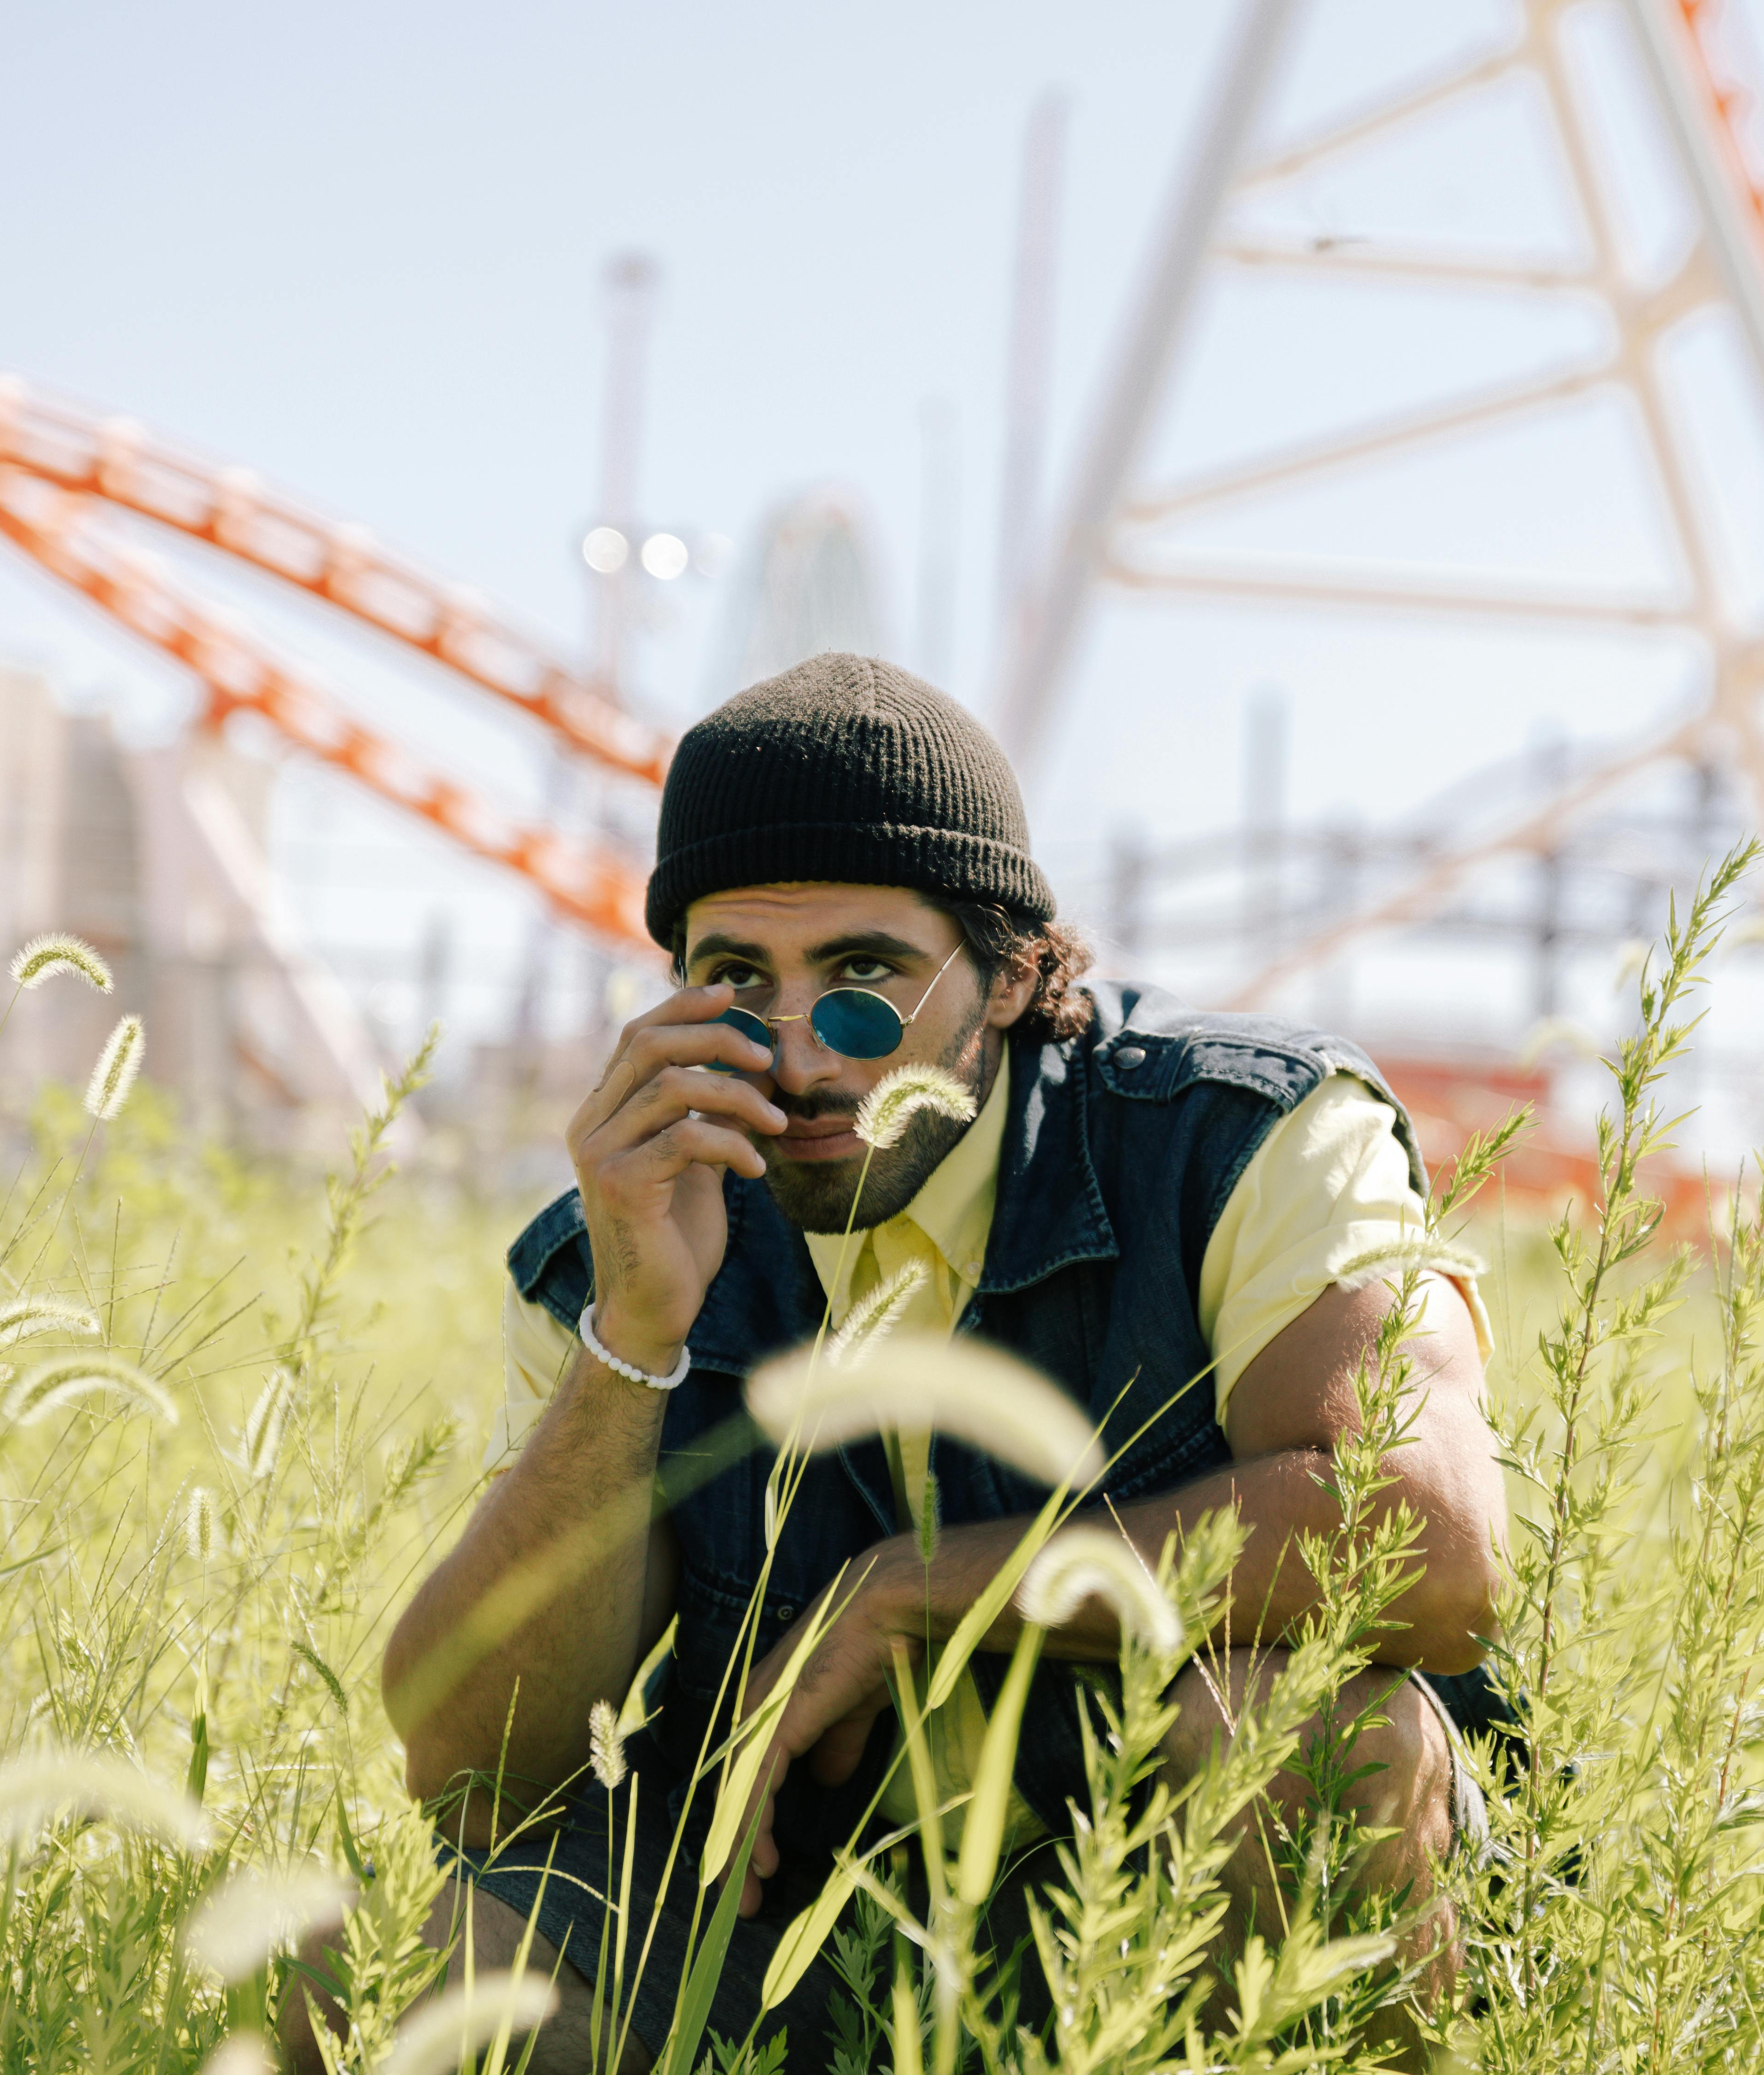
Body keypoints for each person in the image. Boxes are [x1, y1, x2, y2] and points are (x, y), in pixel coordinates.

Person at [295, 654, 1505, 2071]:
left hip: (1164, 1907)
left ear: (1011, 972)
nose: (802, 1059)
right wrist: (634, 1338)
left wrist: (924, 1588)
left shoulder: (1243, 1136)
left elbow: (1433, 1546)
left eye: (863, 980)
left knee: (1298, 1740)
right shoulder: (623, 1242)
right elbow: (474, 1771)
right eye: (736, 985)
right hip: (808, 1923)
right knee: (359, 1971)